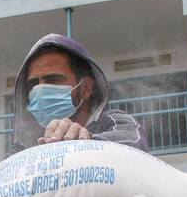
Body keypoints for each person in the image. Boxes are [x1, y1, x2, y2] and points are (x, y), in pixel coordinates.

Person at [8, 34, 149, 156]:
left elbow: (133, 146)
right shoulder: (22, 148)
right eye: (33, 84)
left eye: (53, 80)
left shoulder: (114, 121)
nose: (39, 90)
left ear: (85, 88)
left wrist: (84, 141)